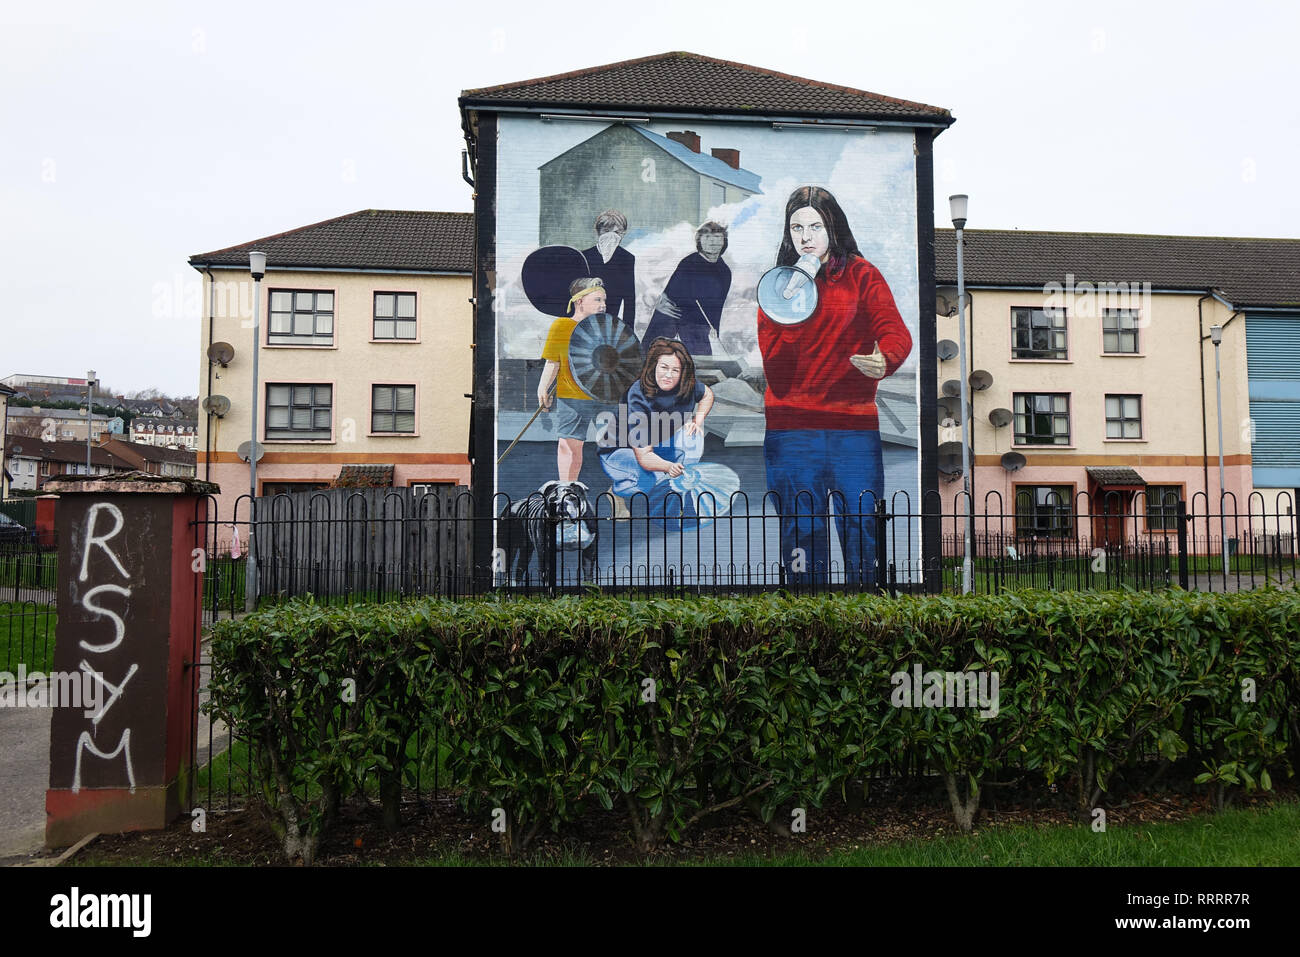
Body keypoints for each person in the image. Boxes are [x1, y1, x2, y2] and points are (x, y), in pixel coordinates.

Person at [757, 185, 912, 585]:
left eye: (815, 226)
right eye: (796, 228)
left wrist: (886, 359)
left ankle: (865, 610)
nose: (805, 237)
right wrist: (793, 307)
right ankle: (807, 613)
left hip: (852, 429)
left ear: (833, 227)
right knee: (800, 529)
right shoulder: (776, 288)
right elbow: (777, 371)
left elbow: (895, 331)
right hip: (792, 430)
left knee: (861, 525)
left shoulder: (862, 275)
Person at [599, 338, 714, 500]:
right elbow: (644, 455)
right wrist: (668, 467)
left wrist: (698, 420)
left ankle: (676, 496)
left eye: (675, 370)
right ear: (654, 367)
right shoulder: (638, 395)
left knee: (691, 438)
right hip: (621, 450)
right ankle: (616, 493)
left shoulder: (687, 386)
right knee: (647, 482)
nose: (669, 375)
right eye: (664, 367)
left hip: (658, 444)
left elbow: (707, 394)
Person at [538, 277, 615, 482]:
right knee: (570, 446)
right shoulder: (561, 326)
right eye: (598, 300)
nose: (603, 305)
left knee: (614, 448)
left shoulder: (606, 327)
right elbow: (553, 362)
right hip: (571, 396)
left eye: (604, 300)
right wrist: (543, 388)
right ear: (579, 301)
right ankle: (567, 489)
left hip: (603, 397)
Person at [643, 221, 732, 356]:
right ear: (699, 241)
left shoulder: (724, 271)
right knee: (653, 352)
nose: (713, 242)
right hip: (673, 314)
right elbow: (669, 295)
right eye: (707, 237)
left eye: (718, 238)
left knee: (701, 360)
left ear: (724, 242)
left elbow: (717, 306)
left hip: (698, 322)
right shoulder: (689, 263)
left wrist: (714, 328)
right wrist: (660, 304)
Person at [580, 210, 636, 334]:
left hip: (610, 324)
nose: (611, 237)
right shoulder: (584, 256)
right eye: (606, 231)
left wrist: (628, 333)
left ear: (623, 234)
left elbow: (629, 300)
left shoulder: (627, 259)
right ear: (598, 232)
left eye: (616, 232)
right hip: (585, 321)